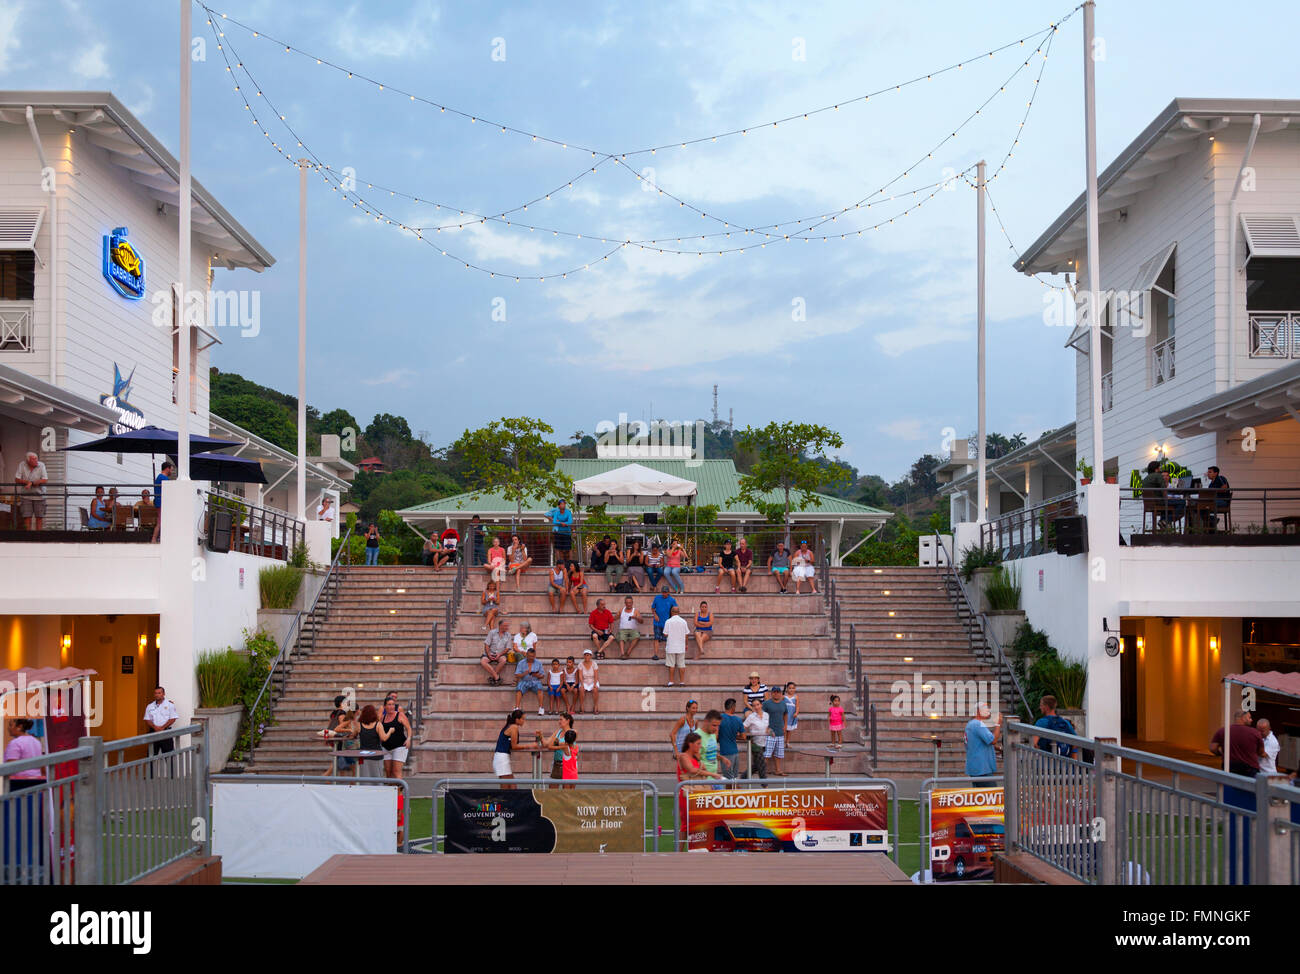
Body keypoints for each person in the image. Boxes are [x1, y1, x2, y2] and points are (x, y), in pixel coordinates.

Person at [1210, 709, 1264, 778]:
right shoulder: (1255, 733)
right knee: (1249, 788)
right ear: (1243, 718)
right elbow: (1261, 752)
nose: (1251, 720)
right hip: (1250, 769)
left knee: (1230, 787)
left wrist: (1220, 753)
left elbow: (1213, 748)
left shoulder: (1223, 731)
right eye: (1249, 717)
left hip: (1230, 767)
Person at [493, 709, 540, 787]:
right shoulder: (514, 727)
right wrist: (530, 745)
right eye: (522, 719)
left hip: (501, 757)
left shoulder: (511, 726)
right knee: (508, 786)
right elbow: (514, 746)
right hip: (501, 758)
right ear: (517, 719)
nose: (524, 721)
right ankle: (504, 799)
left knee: (512, 786)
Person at [143, 686, 179, 769]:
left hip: (166, 733)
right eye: (155, 693)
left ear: (163, 694)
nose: (157, 695)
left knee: (169, 756)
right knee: (150, 756)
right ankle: (150, 777)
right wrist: (154, 727)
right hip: (154, 732)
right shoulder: (150, 706)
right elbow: (147, 719)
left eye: (159, 693)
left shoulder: (170, 705)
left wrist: (163, 727)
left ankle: (172, 778)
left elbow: (173, 718)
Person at [965, 703, 1002, 783]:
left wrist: (999, 748)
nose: (988, 710)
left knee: (980, 794)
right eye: (986, 708)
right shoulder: (977, 724)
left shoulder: (971, 724)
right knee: (990, 794)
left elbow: (982, 742)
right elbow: (993, 740)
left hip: (976, 767)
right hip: (982, 768)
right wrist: (998, 723)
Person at [378, 697, 411, 779]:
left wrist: (409, 739)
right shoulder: (382, 717)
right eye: (389, 704)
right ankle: (391, 791)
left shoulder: (400, 715)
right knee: (388, 772)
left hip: (400, 746)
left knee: (396, 771)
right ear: (385, 707)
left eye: (393, 704)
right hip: (386, 747)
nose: (392, 706)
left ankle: (400, 792)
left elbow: (408, 728)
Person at [14, 451, 48, 532]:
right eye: (34, 459)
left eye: (36, 459)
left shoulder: (41, 465)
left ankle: (38, 538)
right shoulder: (22, 464)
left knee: (39, 518)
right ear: (28, 460)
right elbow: (17, 479)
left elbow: (44, 479)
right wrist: (27, 482)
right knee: (27, 517)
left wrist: (32, 483)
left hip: (39, 495)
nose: (36, 461)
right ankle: (27, 537)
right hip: (26, 495)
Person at [697, 709, 731, 780]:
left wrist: (722, 758)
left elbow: (709, 753)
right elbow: (693, 761)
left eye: (718, 726)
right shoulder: (697, 736)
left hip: (714, 778)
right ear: (706, 722)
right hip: (703, 780)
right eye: (714, 725)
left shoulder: (712, 734)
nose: (716, 729)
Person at [763, 684, 789, 775]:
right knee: (767, 753)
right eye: (774, 692)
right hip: (770, 732)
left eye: (778, 692)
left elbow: (786, 714)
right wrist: (765, 727)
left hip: (780, 732)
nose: (776, 694)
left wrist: (785, 725)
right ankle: (762, 771)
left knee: (779, 754)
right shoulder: (766, 703)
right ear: (772, 693)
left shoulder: (783, 703)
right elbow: (762, 715)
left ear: (780, 694)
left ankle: (778, 770)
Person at [514, 647, 547, 715]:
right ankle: (516, 708)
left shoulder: (538, 663)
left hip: (535, 680)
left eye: (532, 656)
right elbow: (517, 674)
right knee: (519, 689)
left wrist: (537, 675)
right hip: (524, 680)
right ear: (526, 655)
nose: (531, 657)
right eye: (529, 656)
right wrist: (523, 674)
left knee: (540, 689)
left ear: (535, 656)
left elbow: (542, 675)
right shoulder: (521, 663)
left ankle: (541, 708)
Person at [542, 712, 574, 783]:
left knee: (566, 791)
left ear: (568, 721)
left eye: (561, 720)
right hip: (557, 763)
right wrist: (541, 736)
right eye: (559, 720)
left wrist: (555, 744)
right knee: (552, 788)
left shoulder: (573, 732)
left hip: (568, 765)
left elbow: (568, 746)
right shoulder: (558, 732)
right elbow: (547, 744)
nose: (559, 722)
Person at [743, 697, 770, 779]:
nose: (756, 707)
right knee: (762, 765)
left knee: (757, 765)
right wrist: (747, 737)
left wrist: (769, 731)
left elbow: (767, 727)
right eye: (754, 706)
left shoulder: (766, 715)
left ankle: (743, 778)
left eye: (758, 705)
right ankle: (765, 785)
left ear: (761, 705)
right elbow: (743, 727)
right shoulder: (751, 717)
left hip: (764, 743)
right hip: (755, 744)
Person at [663, 605, 689, 687]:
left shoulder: (668, 621)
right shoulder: (684, 621)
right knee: (681, 664)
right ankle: (682, 682)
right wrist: (686, 644)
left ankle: (671, 681)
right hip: (681, 646)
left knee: (671, 664)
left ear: (671, 612)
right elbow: (687, 634)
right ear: (679, 612)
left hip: (671, 646)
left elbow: (665, 634)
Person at [718, 699, 745, 779]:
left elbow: (716, 735)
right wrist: (735, 736)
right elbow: (743, 737)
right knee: (734, 778)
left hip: (725, 753)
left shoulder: (720, 718)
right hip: (735, 752)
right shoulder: (738, 720)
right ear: (733, 707)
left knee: (728, 779)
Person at [481, 618, 512, 685]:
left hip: (501, 654)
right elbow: (486, 644)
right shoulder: (492, 632)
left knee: (503, 660)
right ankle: (496, 677)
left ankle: (493, 678)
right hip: (490, 653)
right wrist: (488, 654)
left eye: (508, 626)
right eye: (505, 626)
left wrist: (499, 654)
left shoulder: (508, 635)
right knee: (483, 661)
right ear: (500, 626)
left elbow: (507, 648)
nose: (507, 627)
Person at [356, 705, 385, 778]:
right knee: (377, 777)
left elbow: (353, 734)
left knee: (364, 777)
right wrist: (390, 731)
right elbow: (383, 738)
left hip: (363, 755)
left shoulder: (359, 725)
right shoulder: (378, 724)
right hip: (376, 754)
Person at [150, 459, 175, 542]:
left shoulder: (160, 477)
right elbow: (169, 491)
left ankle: (157, 538)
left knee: (160, 521)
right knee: (161, 521)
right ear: (167, 468)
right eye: (171, 469)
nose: (171, 472)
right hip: (161, 502)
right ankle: (155, 539)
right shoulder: (163, 478)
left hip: (159, 501)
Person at [1203, 465, 1231, 531]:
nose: (1208, 474)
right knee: (1200, 506)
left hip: (1223, 501)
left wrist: (1213, 491)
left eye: (1210, 472)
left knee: (1204, 505)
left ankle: (1212, 522)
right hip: (1214, 501)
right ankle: (1212, 520)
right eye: (1208, 472)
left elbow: (1224, 488)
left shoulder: (1221, 478)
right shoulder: (1210, 484)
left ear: (1216, 473)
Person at [616, 595, 642, 659]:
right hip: (623, 630)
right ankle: (622, 654)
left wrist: (636, 617)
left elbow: (641, 621)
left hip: (633, 630)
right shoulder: (621, 610)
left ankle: (627, 653)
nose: (629, 604)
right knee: (621, 636)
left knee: (637, 636)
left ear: (632, 603)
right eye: (627, 603)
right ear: (625, 603)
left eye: (630, 602)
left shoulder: (635, 611)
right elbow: (614, 618)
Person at [577, 649, 600, 714]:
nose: (587, 657)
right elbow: (580, 675)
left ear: (590, 656)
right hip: (584, 681)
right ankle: (582, 706)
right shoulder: (580, 664)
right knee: (581, 689)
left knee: (595, 689)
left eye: (588, 655)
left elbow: (596, 675)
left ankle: (595, 706)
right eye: (585, 655)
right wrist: (582, 684)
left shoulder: (594, 664)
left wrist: (595, 684)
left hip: (593, 680)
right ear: (584, 656)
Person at [784, 681, 800, 747]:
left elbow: (797, 706)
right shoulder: (784, 696)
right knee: (784, 729)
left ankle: (787, 742)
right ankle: (782, 742)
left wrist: (796, 712)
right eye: (790, 688)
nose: (791, 689)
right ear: (787, 689)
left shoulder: (796, 697)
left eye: (793, 688)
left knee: (789, 730)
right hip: (785, 715)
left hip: (791, 715)